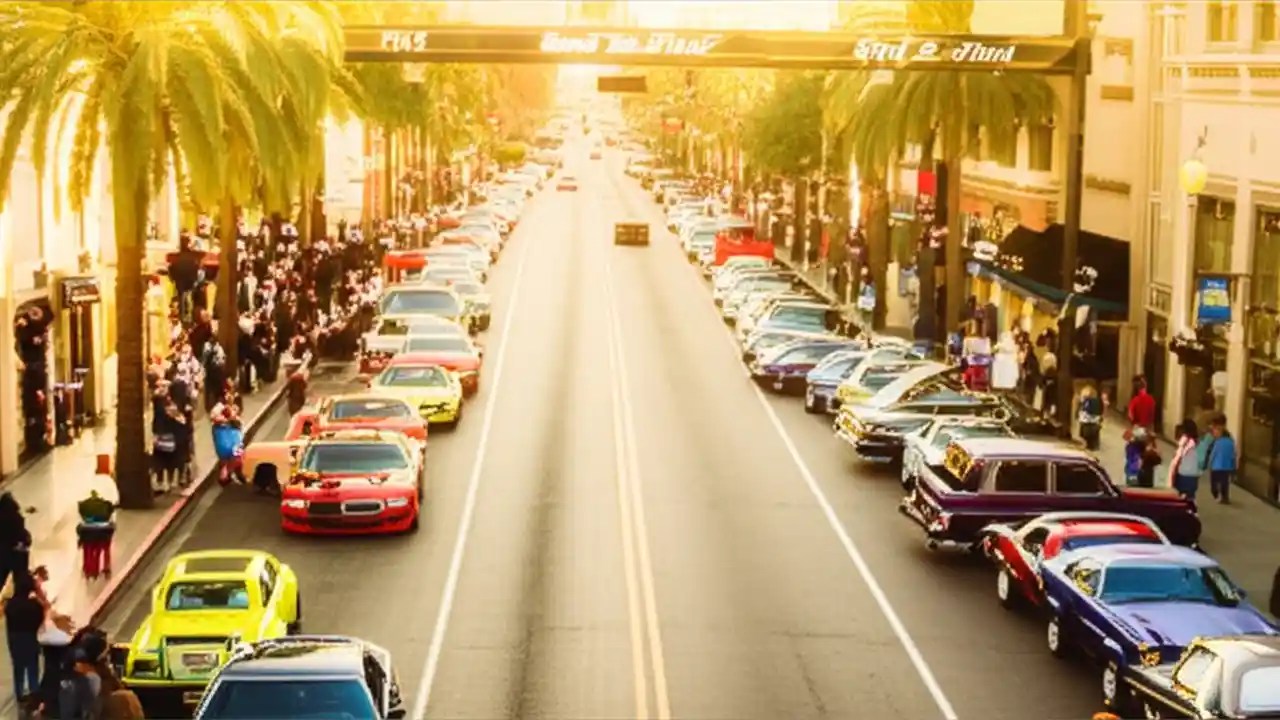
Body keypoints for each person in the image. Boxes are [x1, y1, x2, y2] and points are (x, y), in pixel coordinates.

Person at [5, 571, 43, 703]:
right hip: (31, 637)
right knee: (32, 666)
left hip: (15, 638)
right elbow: (40, 620)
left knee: (18, 668)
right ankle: (34, 691)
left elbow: (9, 623)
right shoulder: (34, 605)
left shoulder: (11, 604)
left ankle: (19, 693)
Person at [76, 489, 116, 580]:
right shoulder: (106, 504)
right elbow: (110, 511)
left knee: (87, 547)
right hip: (103, 533)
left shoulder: (84, 505)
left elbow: (81, 514)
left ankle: (87, 567)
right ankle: (106, 566)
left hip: (87, 533)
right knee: (106, 546)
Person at [1, 491, 32, 593]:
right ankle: (21, 596)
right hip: (17, 554)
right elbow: (22, 535)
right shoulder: (16, 517)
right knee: (20, 580)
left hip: (4, 553)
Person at [1207, 415, 1238, 504]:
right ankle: (1225, 497)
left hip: (1216, 467)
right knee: (1224, 483)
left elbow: (1213, 454)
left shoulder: (1218, 442)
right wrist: (1234, 466)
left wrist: (1209, 464)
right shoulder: (1231, 442)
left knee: (1214, 482)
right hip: (1227, 467)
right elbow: (1233, 455)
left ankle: (1216, 495)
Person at [1168, 420, 1201, 501]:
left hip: (1183, 473)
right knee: (1190, 497)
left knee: (1181, 496)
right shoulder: (1198, 442)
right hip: (1194, 474)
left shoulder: (1184, 440)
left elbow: (1178, 456)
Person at [1077, 385, 1103, 451]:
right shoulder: (1091, 402)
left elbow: (1086, 414)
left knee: (1087, 437)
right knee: (1091, 438)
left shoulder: (1090, 403)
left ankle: (1089, 446)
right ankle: (1091, 446)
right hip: (1092, 423)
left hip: (1088, 424)